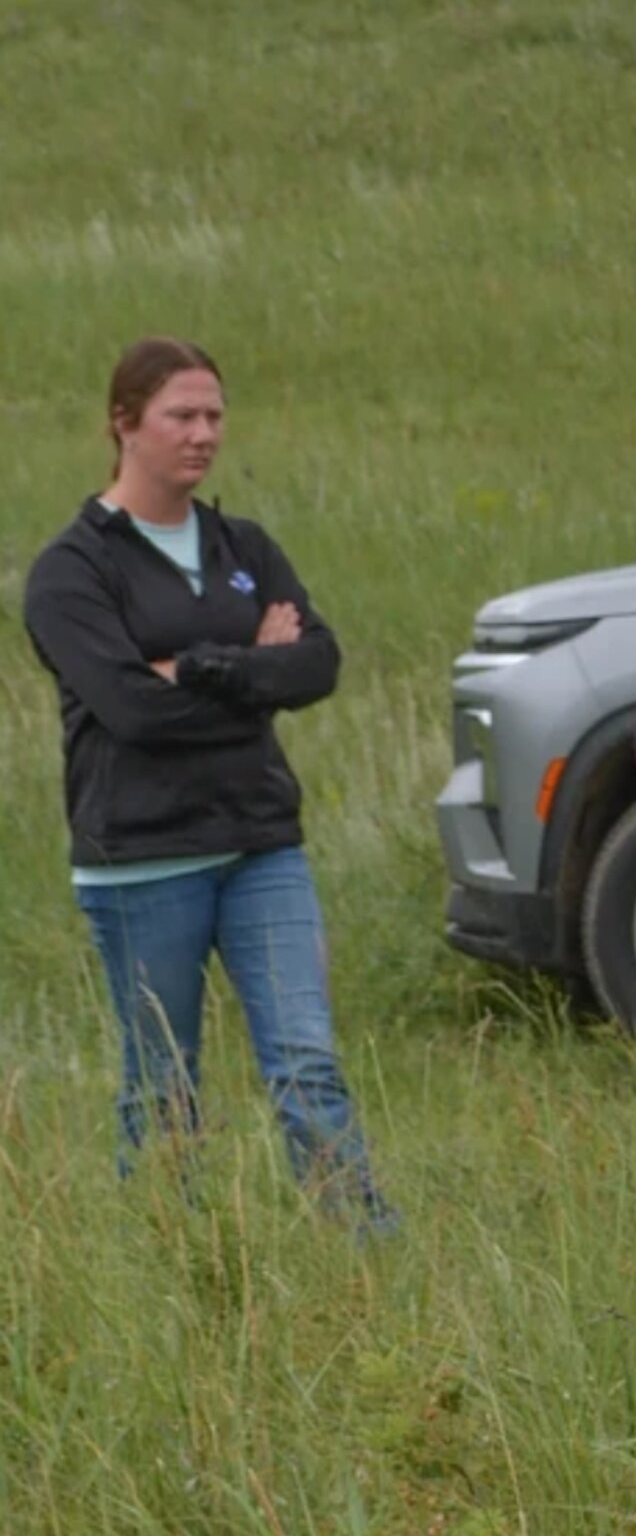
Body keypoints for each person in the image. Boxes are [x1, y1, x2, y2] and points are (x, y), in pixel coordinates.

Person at [22, 338, 390, 1228]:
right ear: (124, 424)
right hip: (144, 859)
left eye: (214, 415)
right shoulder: (72, 571)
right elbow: (131, 712)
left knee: (308, 1062)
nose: (203, 434)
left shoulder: (243, 545)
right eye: (180, 416)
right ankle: (174, 1269)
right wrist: (256, 674)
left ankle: (370, 1259)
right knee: (164, 1086)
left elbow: (320, 664)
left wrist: (201, 668)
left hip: (262, 845)